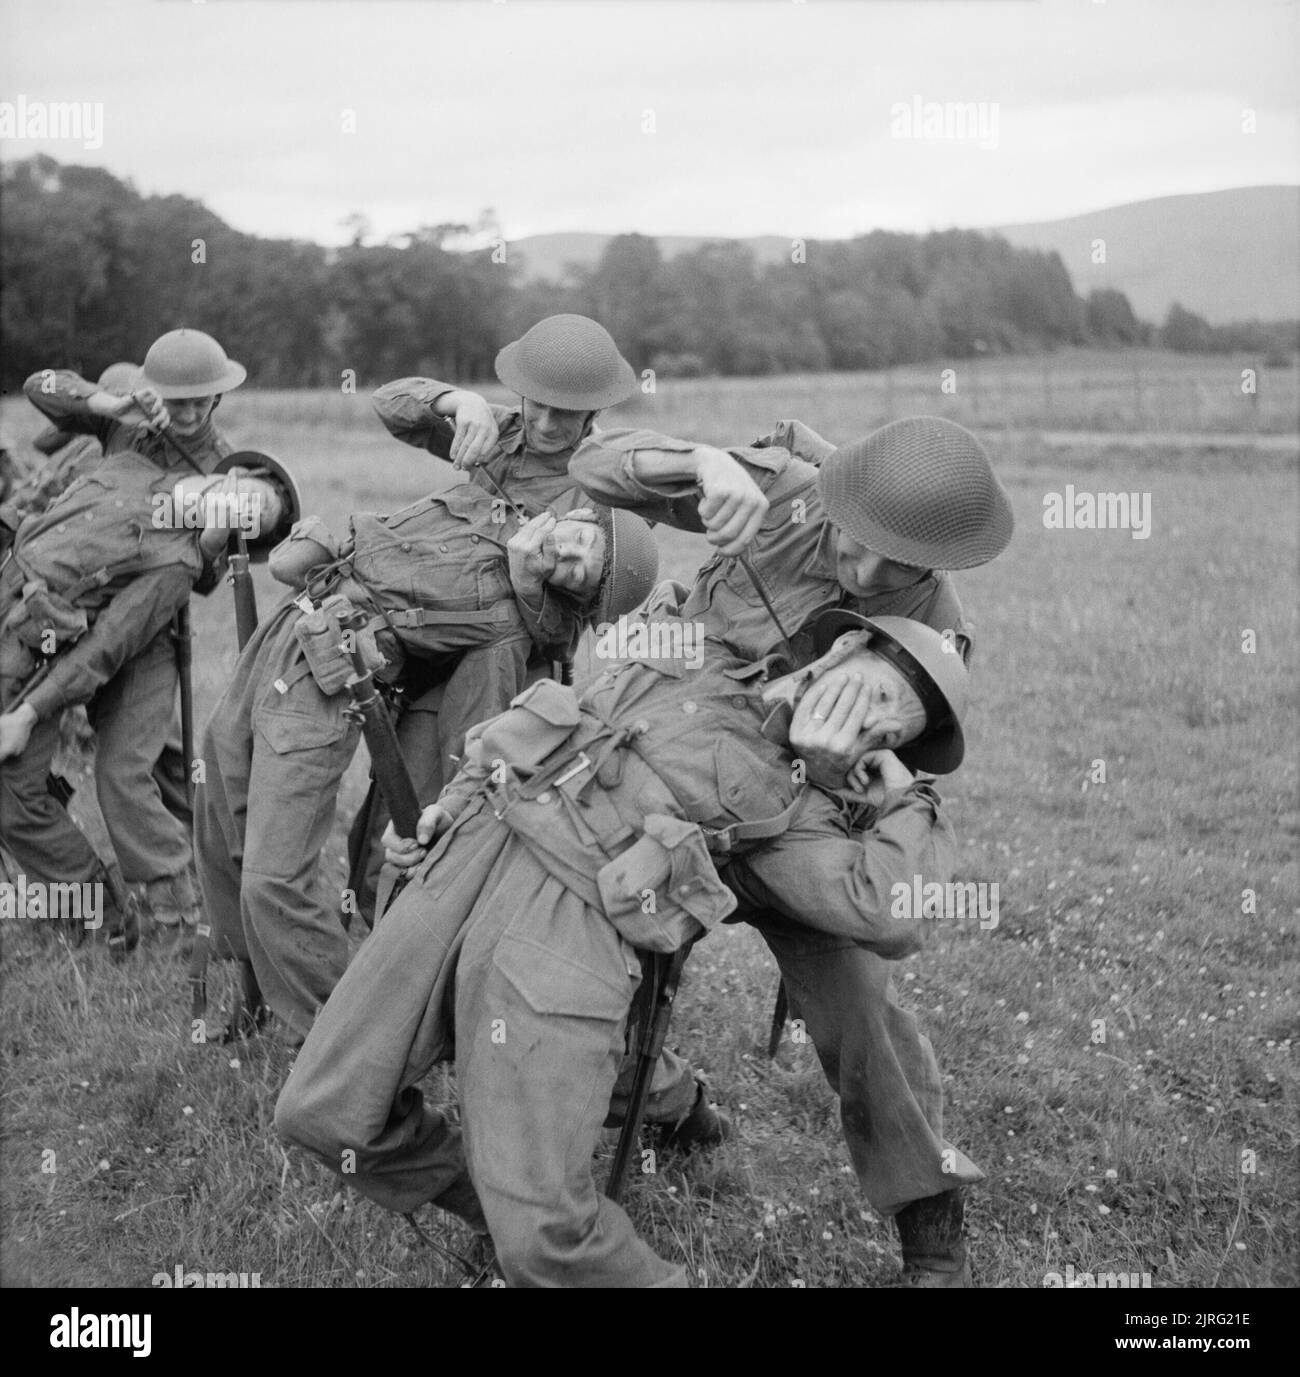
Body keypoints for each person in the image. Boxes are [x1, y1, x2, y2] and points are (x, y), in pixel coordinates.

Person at [275, 609, 966, 1287]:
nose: (863, 723)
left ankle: (543, 1218)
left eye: (885, 730)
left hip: (564, 921)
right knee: (321, 1113)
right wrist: (445, 808)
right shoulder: (707, 644)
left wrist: (909, 797)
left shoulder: (793, 810)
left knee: (544, 1234)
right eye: (874, 694)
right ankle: (494, 1197)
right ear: (843, 644)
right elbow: (536, 718)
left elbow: (888, 910)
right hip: (470, 858)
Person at [568, 414, 1015, 1285]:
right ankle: (655, 1107)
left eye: (905, 562)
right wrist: (700, 462)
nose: (872, 571)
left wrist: (835, 757)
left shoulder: (937, 629)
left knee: (859, 1005)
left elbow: (892, 760)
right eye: (863, 541)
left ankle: (928, 1213)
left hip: (791, 819)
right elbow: (594, 464)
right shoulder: (782, 490)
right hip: (660, 772)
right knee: (587, 947)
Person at [193, 481, 659, 1046]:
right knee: (222, 809)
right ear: (578, 513)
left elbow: (475, 733)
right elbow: (404, 407)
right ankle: (258, 987)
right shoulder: (491, 502)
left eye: (579, 572)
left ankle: (339, 1050)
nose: (567, 554)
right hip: (284, 631)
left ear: (571, 597)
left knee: (272, 878)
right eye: (581, 538)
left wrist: (443, 808)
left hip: (329, 672)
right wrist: (455, 404)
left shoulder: (509, 629)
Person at [349, 314, 641, 922]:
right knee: (394, 806)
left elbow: (571, 631)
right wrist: (459, 402)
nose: (545, 423)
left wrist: (528, 580)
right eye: (536, 404)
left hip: (505, 679)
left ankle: (442, 955)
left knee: (464, 808)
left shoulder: (603, 486)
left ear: (594, 411)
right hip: (428, 648)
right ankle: (369, 965)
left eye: (565, 412)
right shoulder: (501, 432)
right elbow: (389, 403)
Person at [0, 330, 253, 952]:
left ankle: (177, 915)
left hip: (146, 633)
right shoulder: (131, 423)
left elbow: (207, 579)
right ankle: (93, 908)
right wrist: (107, 405)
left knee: (122, 773)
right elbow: (43, 389)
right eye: (177, 399)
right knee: (19, 776)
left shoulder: (223, 471)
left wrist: (212, 545)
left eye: (201, 400)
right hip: (61, 620)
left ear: (219, 395)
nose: (187, 413)